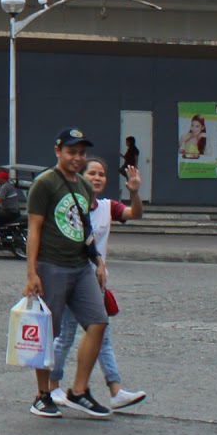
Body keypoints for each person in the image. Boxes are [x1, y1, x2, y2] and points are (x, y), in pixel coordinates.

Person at [24, 128, 113, 418]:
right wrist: (31, 273)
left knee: (98, 322)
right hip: (52, 266)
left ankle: (78, 390)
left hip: (80, 265)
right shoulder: (45, 184)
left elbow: (83, 228)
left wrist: (97, 261)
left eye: (81, 153)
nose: (77, 157)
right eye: (71, 152)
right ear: (58, 151)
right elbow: (34, 229)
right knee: (49, 331)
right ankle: (42, 395)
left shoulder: (84, 187)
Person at [47, 157, 147, 411]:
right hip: (74, 280)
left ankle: (115, 389)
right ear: (81, 176)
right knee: (66, 336)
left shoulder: (106, 206)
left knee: (102, 335)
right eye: (92, 173)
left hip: (95, 283)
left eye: (102, 174)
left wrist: (134, 192)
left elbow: (135, 213)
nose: (98, 178)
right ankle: (51, 386)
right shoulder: (70, 206)